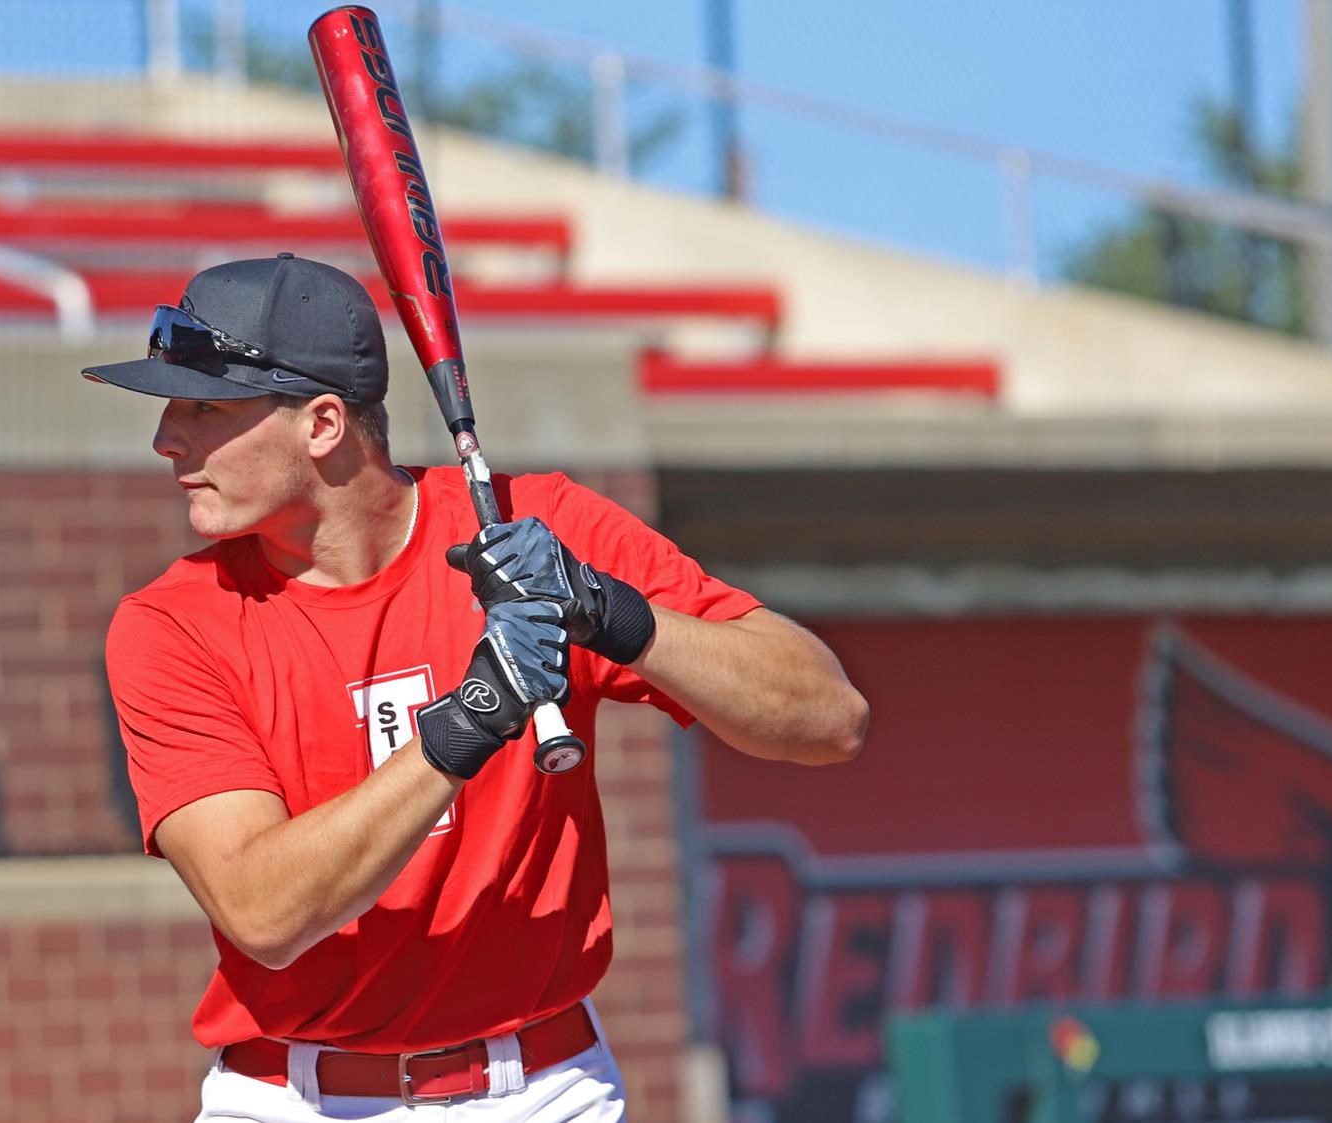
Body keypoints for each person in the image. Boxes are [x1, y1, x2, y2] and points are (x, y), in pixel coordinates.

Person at [86, 253, 868, 1122]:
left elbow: (830, 717)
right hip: (292, 1098)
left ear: (323, 423)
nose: (167, 437)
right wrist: (467, 724)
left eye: (204, 406)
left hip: (543, 1088)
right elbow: (264, 912)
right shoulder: (172, 624)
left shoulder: (539, 528)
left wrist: (613, 614)